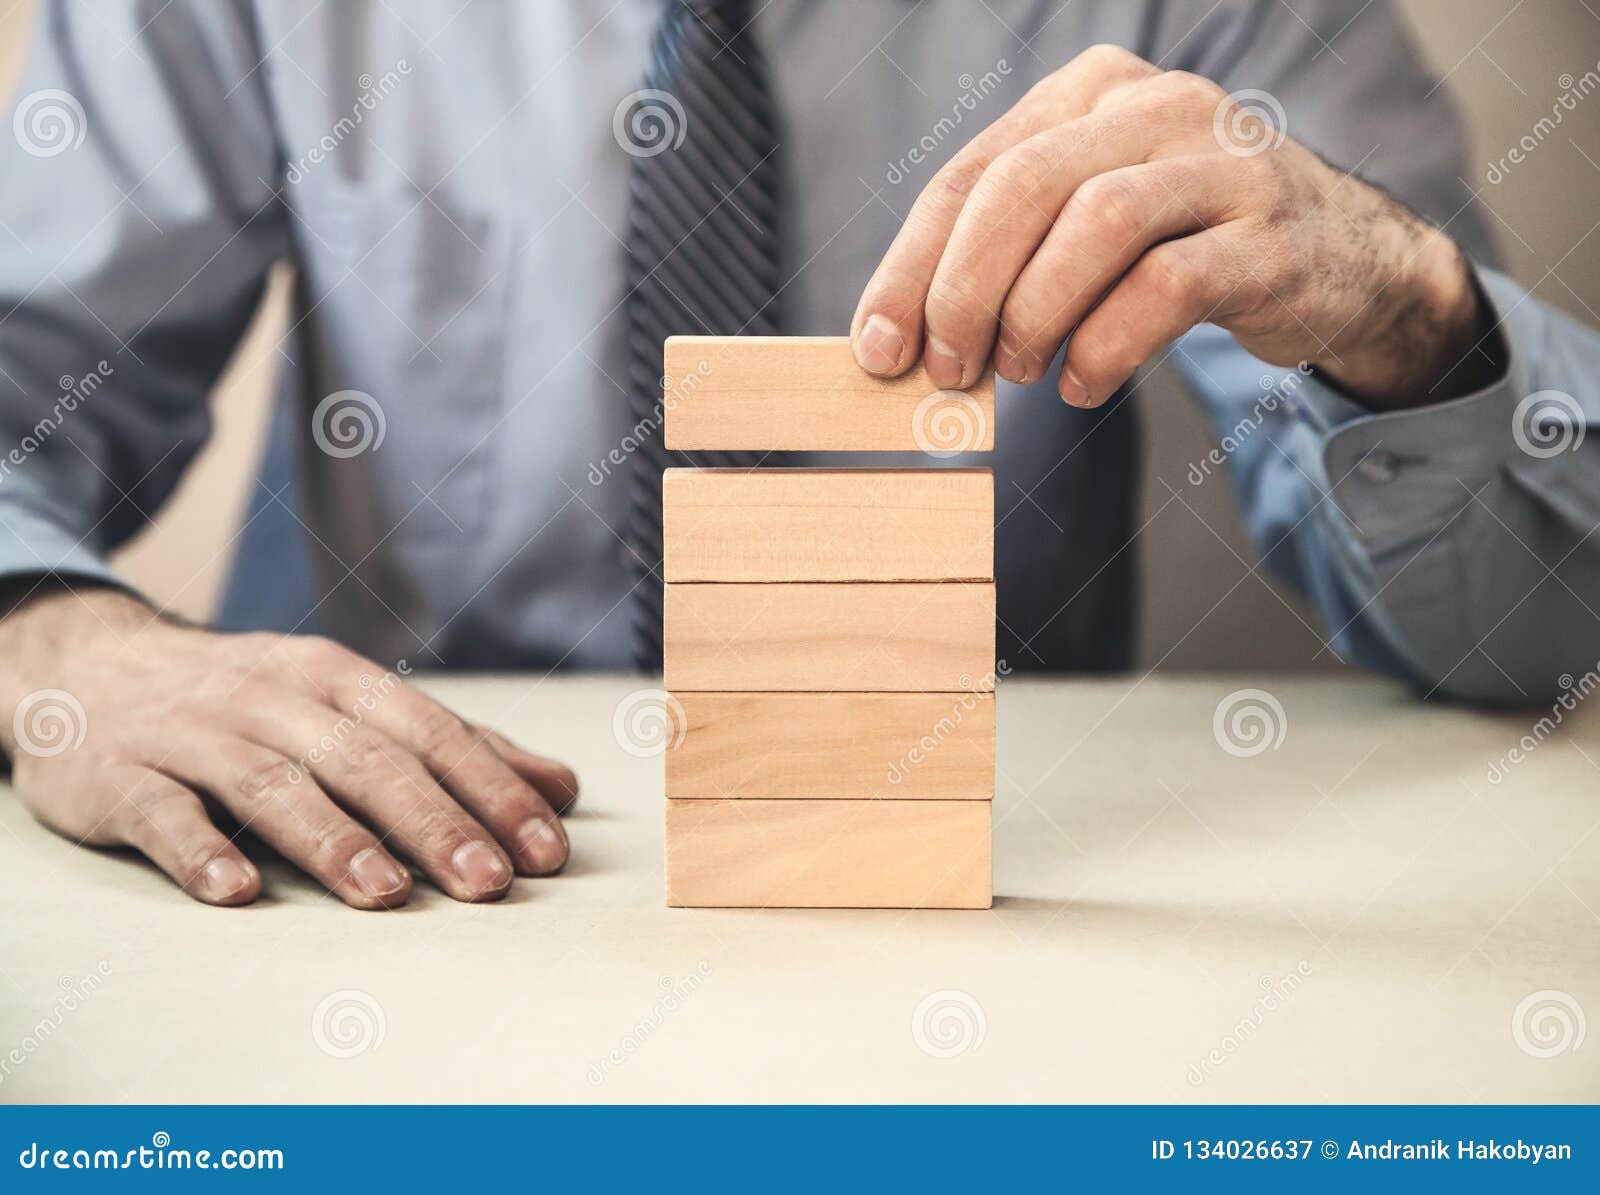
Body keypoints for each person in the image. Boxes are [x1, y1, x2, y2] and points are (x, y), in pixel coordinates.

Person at [0, 1, 1595, 909]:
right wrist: (53, 640)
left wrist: (1412, 316)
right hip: (393, 893)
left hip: (984, 919)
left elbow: (1539, 635)